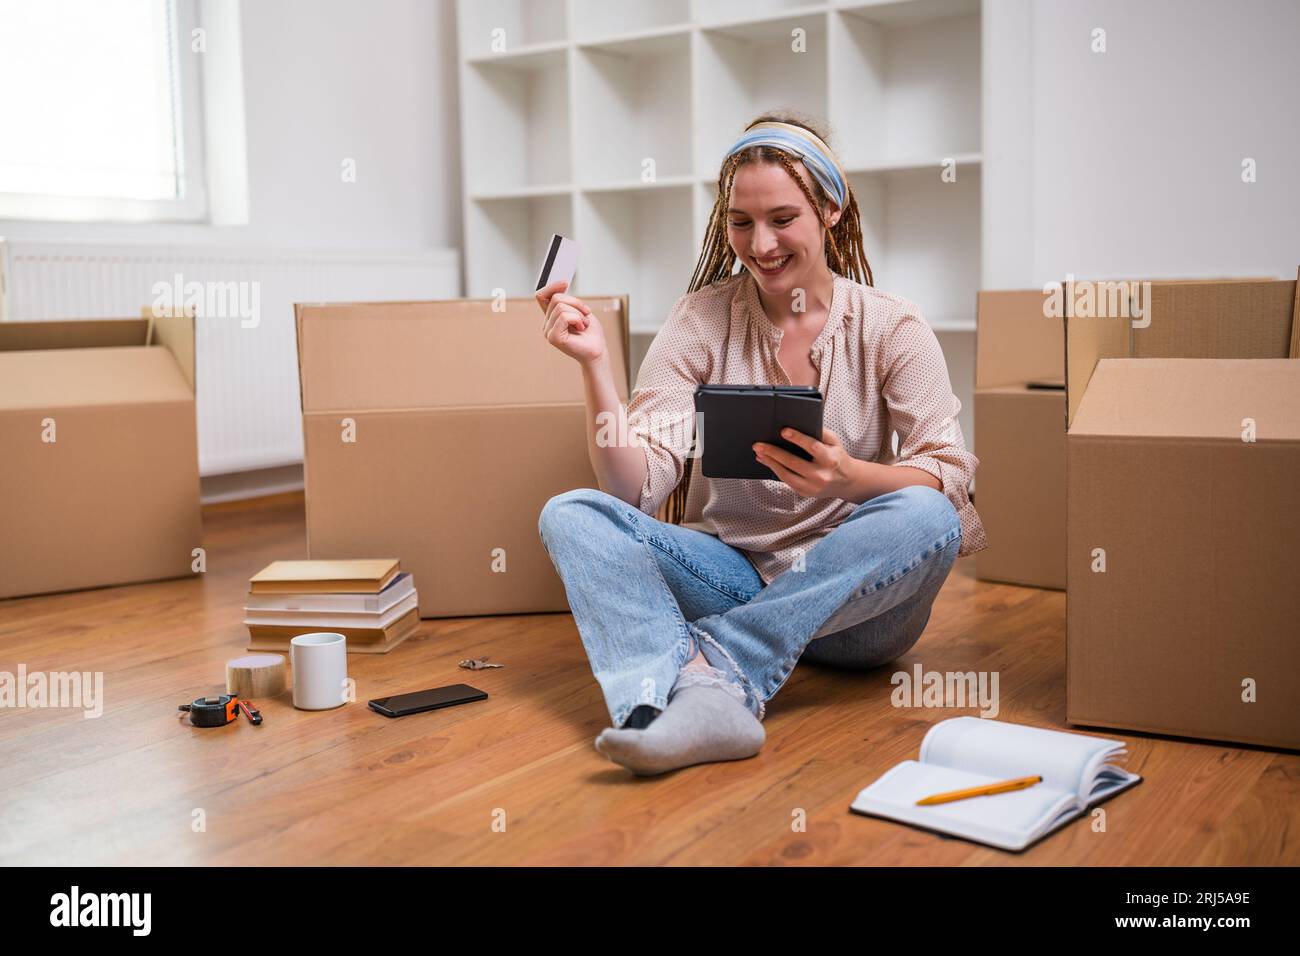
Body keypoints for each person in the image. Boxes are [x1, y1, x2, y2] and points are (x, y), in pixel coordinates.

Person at [535, 110, 987, 777]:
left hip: (857, 608)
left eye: (782, 218)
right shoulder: (701, 319)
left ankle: (712, 671)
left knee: (928, 516)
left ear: (829, 211)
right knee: (571, 514)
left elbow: (947, 473)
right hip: (735, 578)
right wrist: (595, 365)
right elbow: (633, 489)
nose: (761, 243)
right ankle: (654, 707)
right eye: (741, 223)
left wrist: (847, 479)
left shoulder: (893, 326)